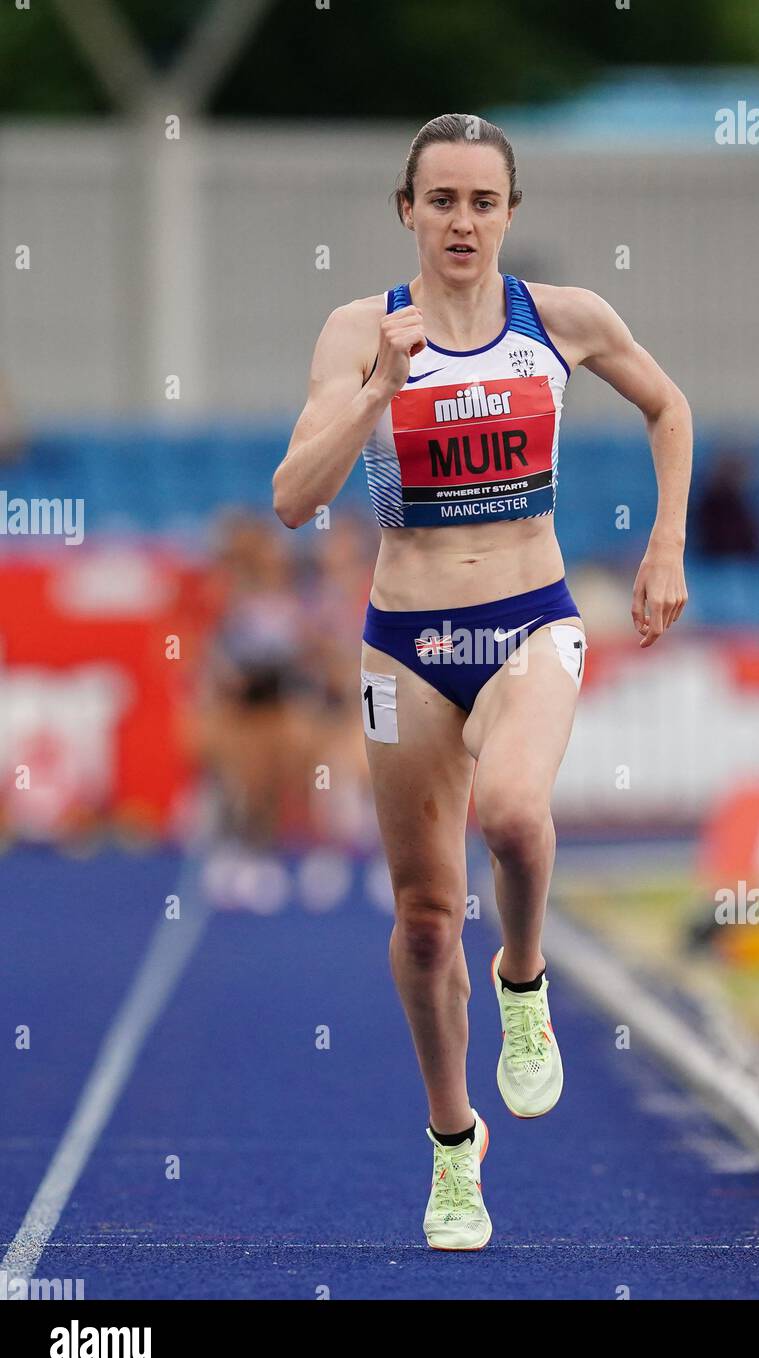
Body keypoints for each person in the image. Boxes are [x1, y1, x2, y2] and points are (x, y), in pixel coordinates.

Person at [273, 113, 692, 1250]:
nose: (463, 222)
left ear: (511, 213)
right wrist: (375, 392)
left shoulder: (561, 320)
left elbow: (671, 406)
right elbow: (294, 496)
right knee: (418, 919)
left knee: (513, 813)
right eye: (442, 201)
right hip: (405, 642)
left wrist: (665, 546)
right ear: (405, 211)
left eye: (484, 202)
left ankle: (522, 977)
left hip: (528, 620)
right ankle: (455, 1146)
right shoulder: (359, 330)